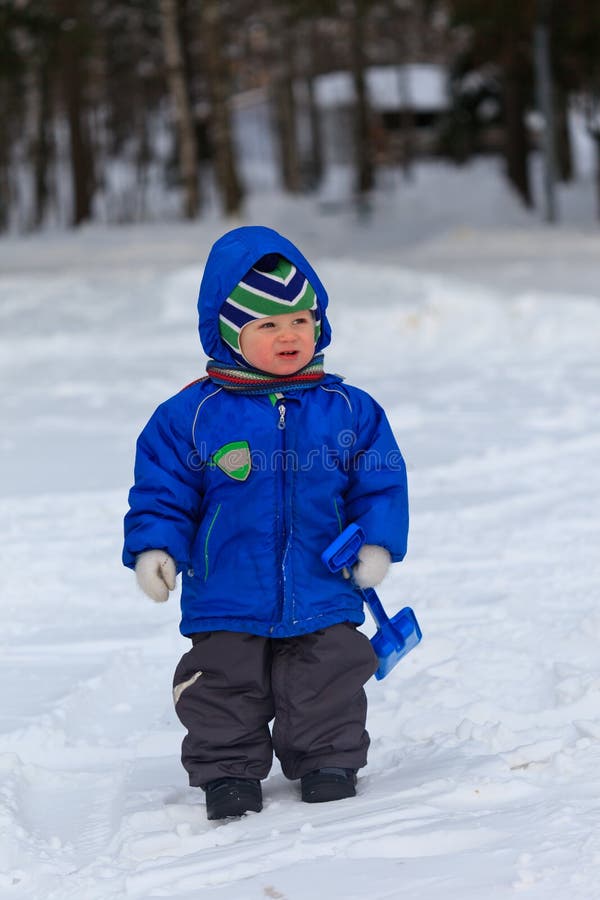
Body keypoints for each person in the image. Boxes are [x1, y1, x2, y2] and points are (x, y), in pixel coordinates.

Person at [123, 225, 408, 820]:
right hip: (227, 585)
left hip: (325, 582)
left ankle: (328, 759)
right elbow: (164, 491)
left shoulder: (348, 409)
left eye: (301, 321)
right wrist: (156, 547)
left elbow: (379, 478)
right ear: (231, 333)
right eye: (268, 325)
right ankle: (228, 770)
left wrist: (376, 540)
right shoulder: (191, 416)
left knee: (328, 672)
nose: (289, 336)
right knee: (223, 680)